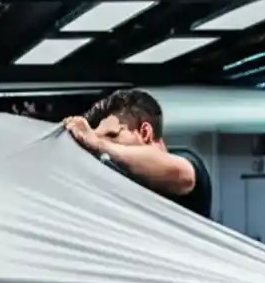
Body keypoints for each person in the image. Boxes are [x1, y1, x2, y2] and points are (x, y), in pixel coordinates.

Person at [62, 88, 212, 219]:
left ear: (145, 133)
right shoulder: (119, 177)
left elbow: (183, 175)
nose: (106, 146)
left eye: (113, 136)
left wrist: (98, 143)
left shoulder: (187, 160)